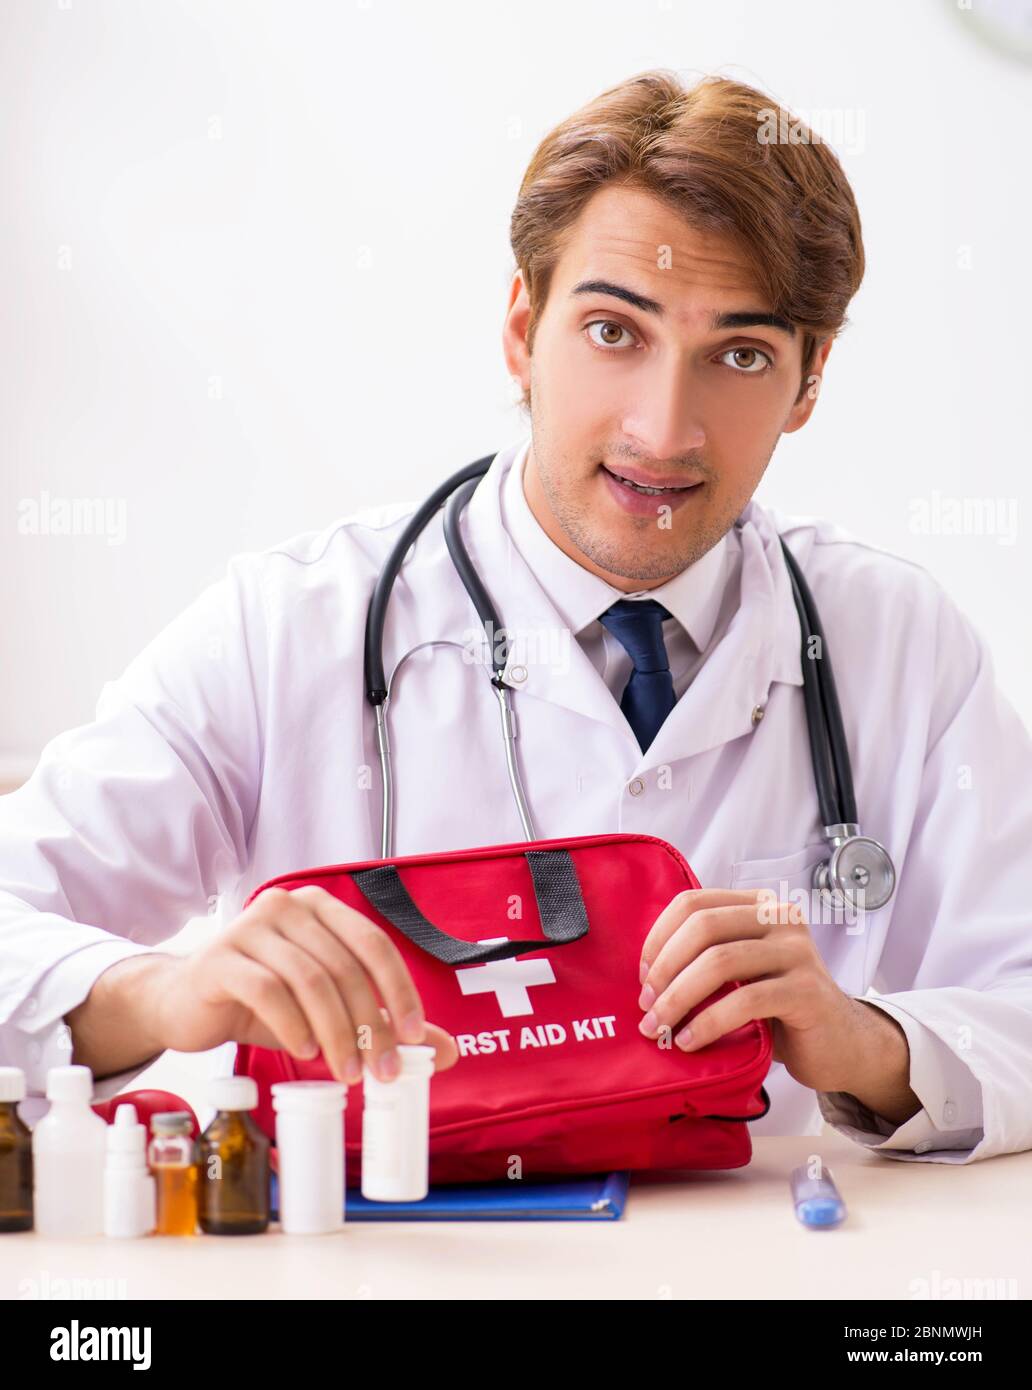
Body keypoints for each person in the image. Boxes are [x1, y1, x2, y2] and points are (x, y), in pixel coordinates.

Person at [2, 70, 1030, 1162]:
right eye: (612, 331)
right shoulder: (289, 628)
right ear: (522, 329)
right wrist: (163, 993)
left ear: (811, 382)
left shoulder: (895, 643)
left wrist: (866, 1043)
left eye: (740, 354)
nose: (663, 427)